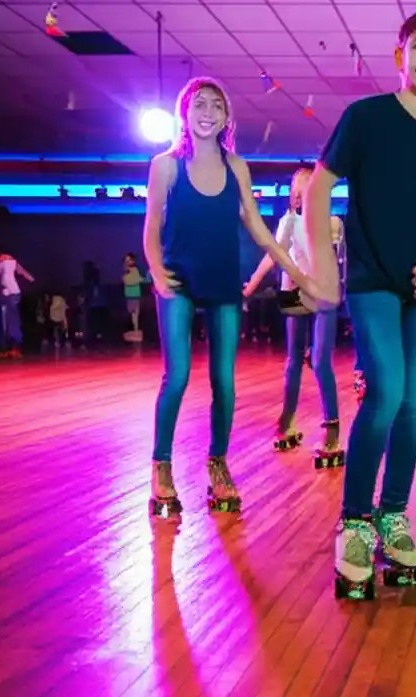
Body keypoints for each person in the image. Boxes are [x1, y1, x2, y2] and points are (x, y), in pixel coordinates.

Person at [306, 7, 416, 599]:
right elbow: (320, 187)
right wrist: (323, 269)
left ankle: (392, 514)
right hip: (372, 281)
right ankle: (354, 521)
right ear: (400, 55)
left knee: (415, 405)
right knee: (386, 394)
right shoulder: (366, 118)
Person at [142, 76, 333, 521]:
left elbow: (262, 231)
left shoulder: (237, 168)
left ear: (227, 117)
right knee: (178, 376)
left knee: (224, 382)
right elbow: (151, 228)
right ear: (184, 113)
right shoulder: (165, 166)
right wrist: (155, 271)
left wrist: (301, 275)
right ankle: (161, 464)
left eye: (216, 106)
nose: (207, 112)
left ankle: (217, 461)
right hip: (178, 281)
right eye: (199, 104)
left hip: (224, 282)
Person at [244, 164, 347, 466]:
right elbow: (273, 254)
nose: (300, 198)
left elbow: (328, 257)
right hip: (295, 293)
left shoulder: (333, 223)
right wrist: (251, 284)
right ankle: (286, 421)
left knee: (319, 360)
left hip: (323, 295)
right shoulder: (287, 222)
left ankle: (332, 427)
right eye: (296, 193)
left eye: (306, 191)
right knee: (293, 361)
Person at [0, 239, 34, 358]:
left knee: (12, 320)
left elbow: (18, 270)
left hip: (12, 293)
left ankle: (15, 346)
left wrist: (30, 279)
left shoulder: (7, 258)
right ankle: (3, 346)